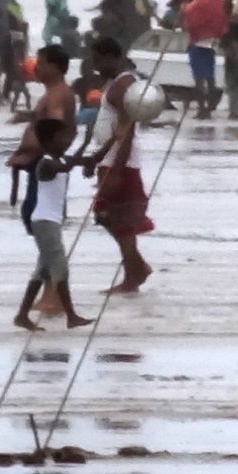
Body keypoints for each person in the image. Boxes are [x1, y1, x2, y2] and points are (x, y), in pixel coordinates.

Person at [79, 35, 155, 294]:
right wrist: (97, 156)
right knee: (107, 216)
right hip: (110, 158)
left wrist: (117, 171)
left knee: (119, 219)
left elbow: (128, 130)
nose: (96, 65)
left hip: (121, 161)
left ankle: (133, 275)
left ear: (112, 57)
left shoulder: (123, 86)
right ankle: (137, 267)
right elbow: (115, 131)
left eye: (99, 60)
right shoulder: (114, 83)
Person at [8, 114, 84, 331]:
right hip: (44, 221)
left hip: (51, 221)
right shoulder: (45, 163)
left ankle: (22, 315)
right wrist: (85, 145)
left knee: (42, 271)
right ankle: (71, 316)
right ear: (49, 141)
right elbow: (64, 169)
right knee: (60, 268)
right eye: (62, 138)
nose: (67, 141)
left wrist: (102, 145)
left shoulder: (59, 160)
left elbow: (80, 161)